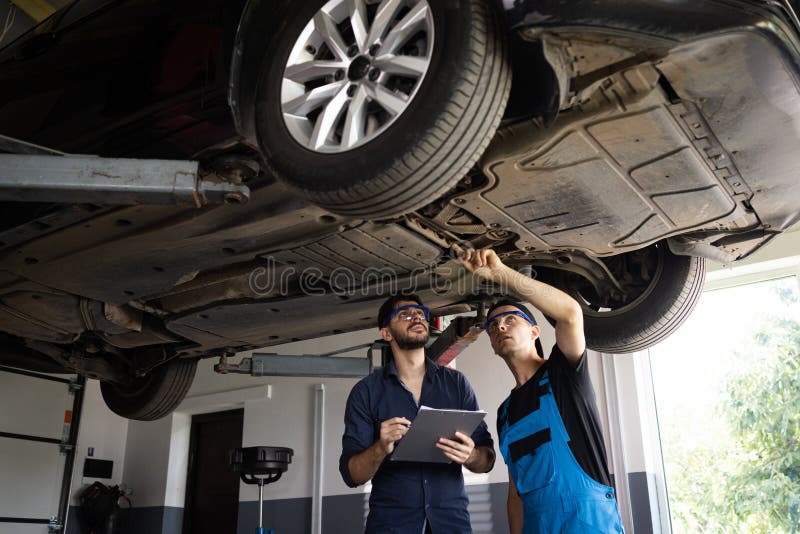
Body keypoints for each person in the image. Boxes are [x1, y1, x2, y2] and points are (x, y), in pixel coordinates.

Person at [455, 245, 624, 534]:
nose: (500, 328)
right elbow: (515, 494)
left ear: (535, 331)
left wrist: (502, 273)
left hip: (588, 524)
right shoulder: (505, 413)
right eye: (493, 326)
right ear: (493, 345)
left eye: (511, 320)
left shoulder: (564, 374)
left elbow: (571, 313)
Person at [339, 293, 496, 533]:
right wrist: (381, 447)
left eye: (421, 314)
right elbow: (352, 475)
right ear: (387, 333)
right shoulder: (366, 392)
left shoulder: (456, 384)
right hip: (391, 526)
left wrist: (471, 456)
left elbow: (487, 459)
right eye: (404, 315)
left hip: (451, 524)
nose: (416, 317)